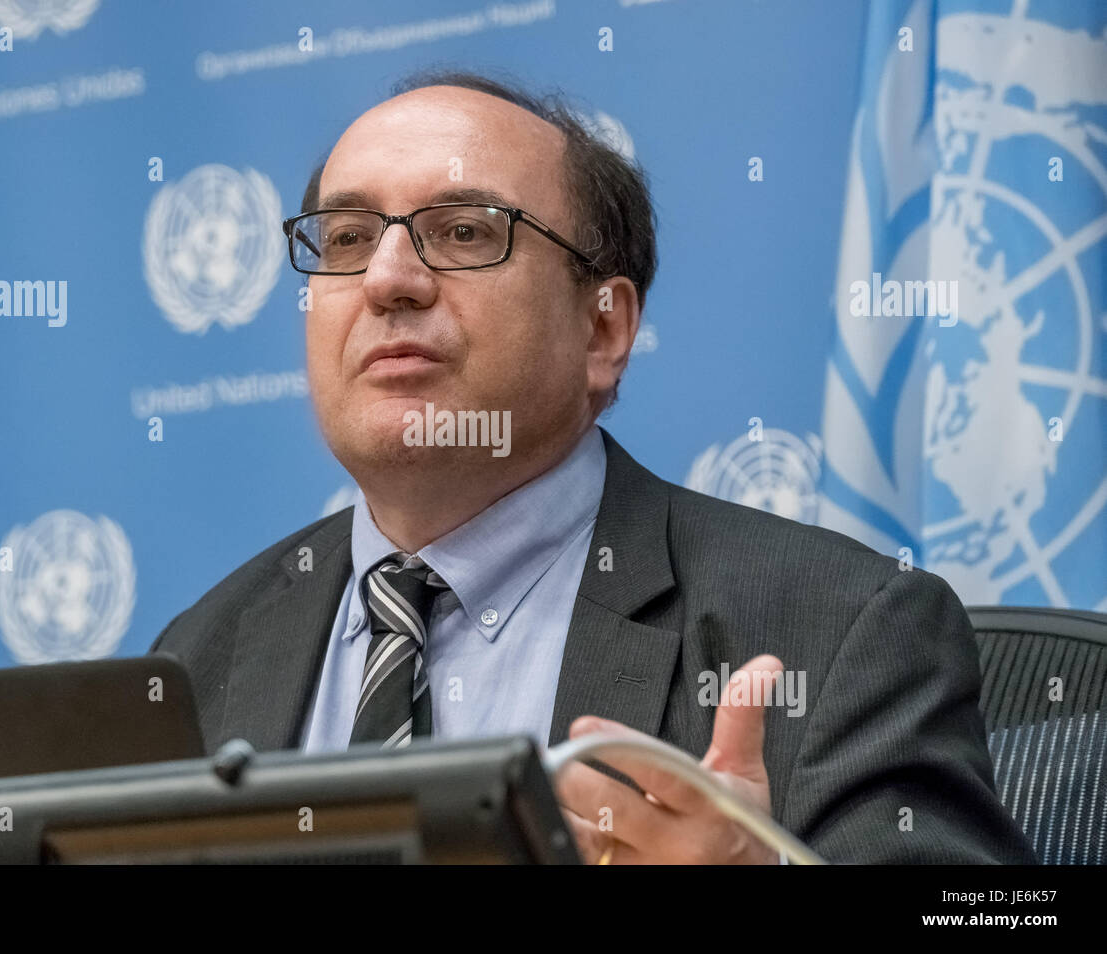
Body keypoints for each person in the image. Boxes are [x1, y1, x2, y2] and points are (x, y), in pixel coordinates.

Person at [152, 69, 1035, 865]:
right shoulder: (200, 656)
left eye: (463, 232)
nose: (389, 278)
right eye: (345, 238)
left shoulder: (842, 631)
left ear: (604, 329)